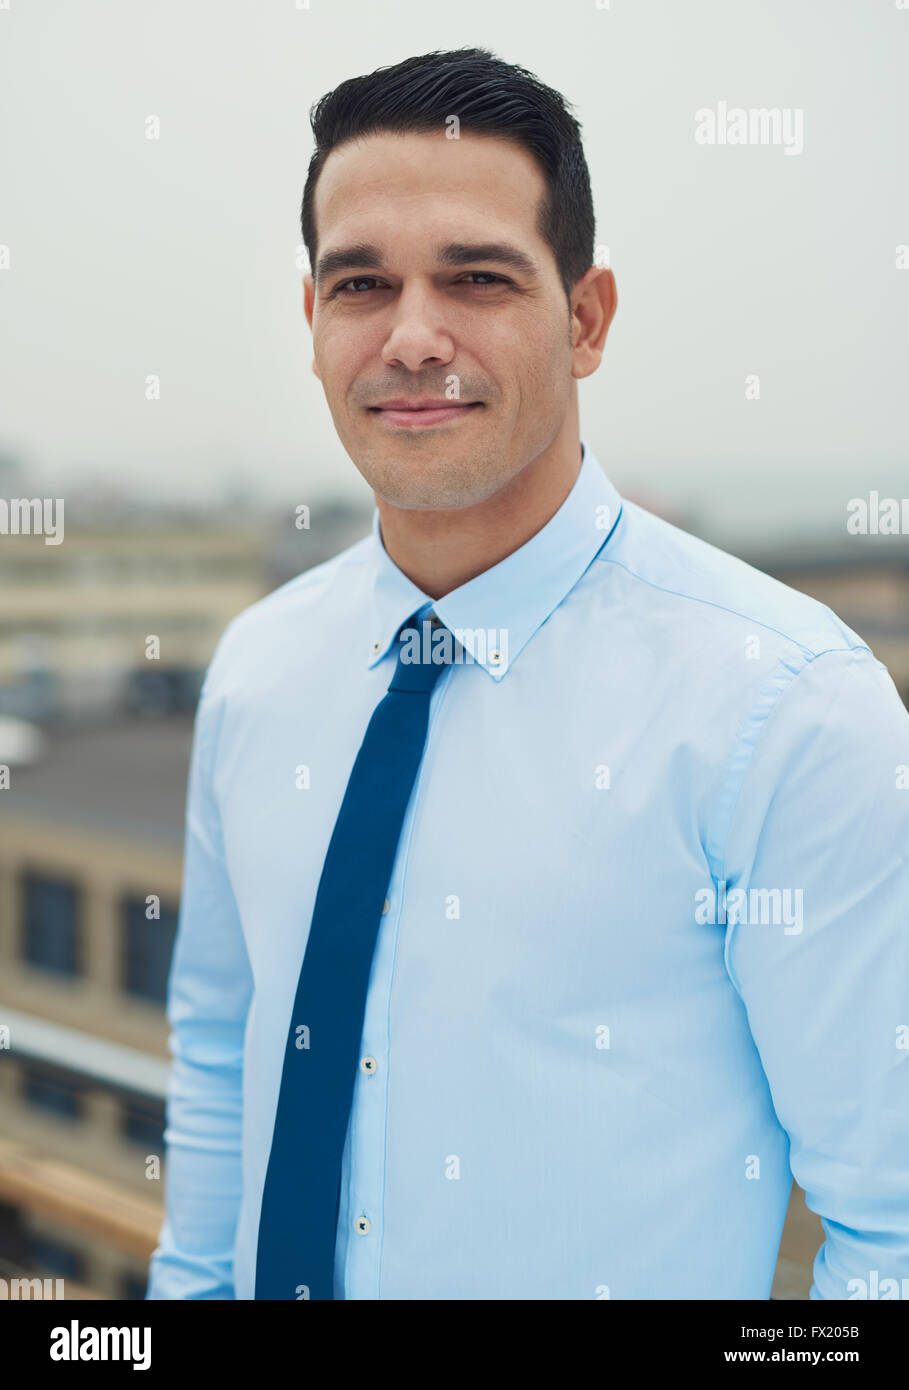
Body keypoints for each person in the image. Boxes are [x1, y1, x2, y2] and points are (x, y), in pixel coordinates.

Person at [147, 47, 909, 1300]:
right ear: (313, 321)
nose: (412, 336)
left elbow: (888, 1225)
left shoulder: (787, 709)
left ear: (589, 317)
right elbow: (226, 1058)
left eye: (477, 277)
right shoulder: (259, 673)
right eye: (361, 284)